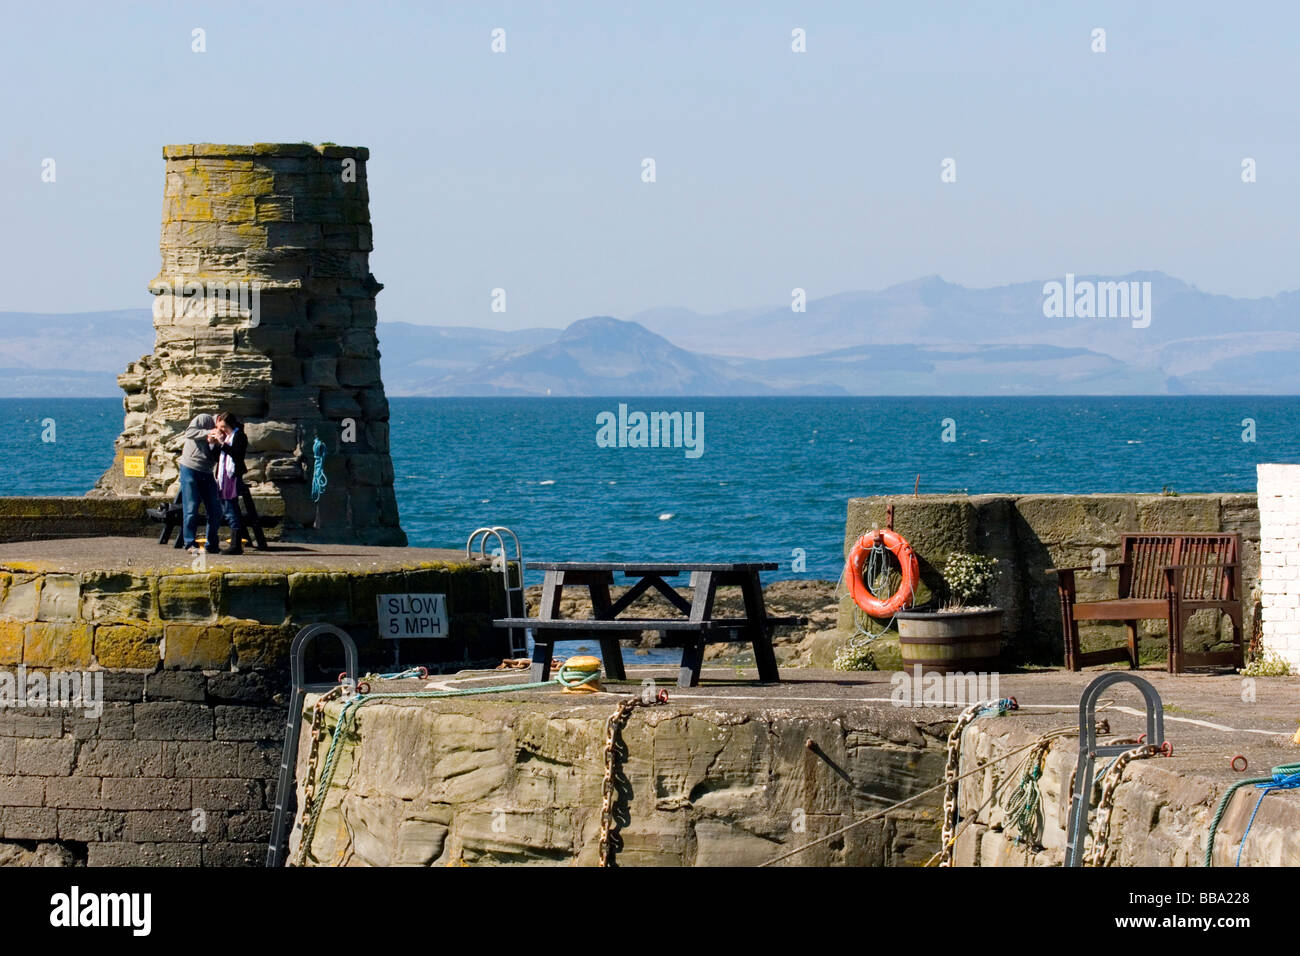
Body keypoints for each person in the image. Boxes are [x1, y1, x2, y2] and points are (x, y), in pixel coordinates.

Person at [178, 413, 222, 555]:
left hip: (207, 471)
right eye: (221, 427)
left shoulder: (223, 436)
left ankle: (212, 544)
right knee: (191, 509)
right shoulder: (204, 419)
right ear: (218, 420)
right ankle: (189, 543)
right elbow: (189, 432)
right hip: (189, 468)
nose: (222, 430)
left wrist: (217, 443)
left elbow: (216, 457)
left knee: (215, 510)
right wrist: (208, 432)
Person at [214, 411, 248, 555]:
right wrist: (215, 444)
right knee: (228, 508)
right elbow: (218, 457)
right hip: (223, 476)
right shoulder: (227, 438)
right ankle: (235, 543)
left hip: (232, 476)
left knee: (231, 508)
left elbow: (237, 454)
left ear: (228, 425)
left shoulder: (239, 436)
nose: (220, 429)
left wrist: (222, 443)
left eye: (222, 426)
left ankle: (236, 545)